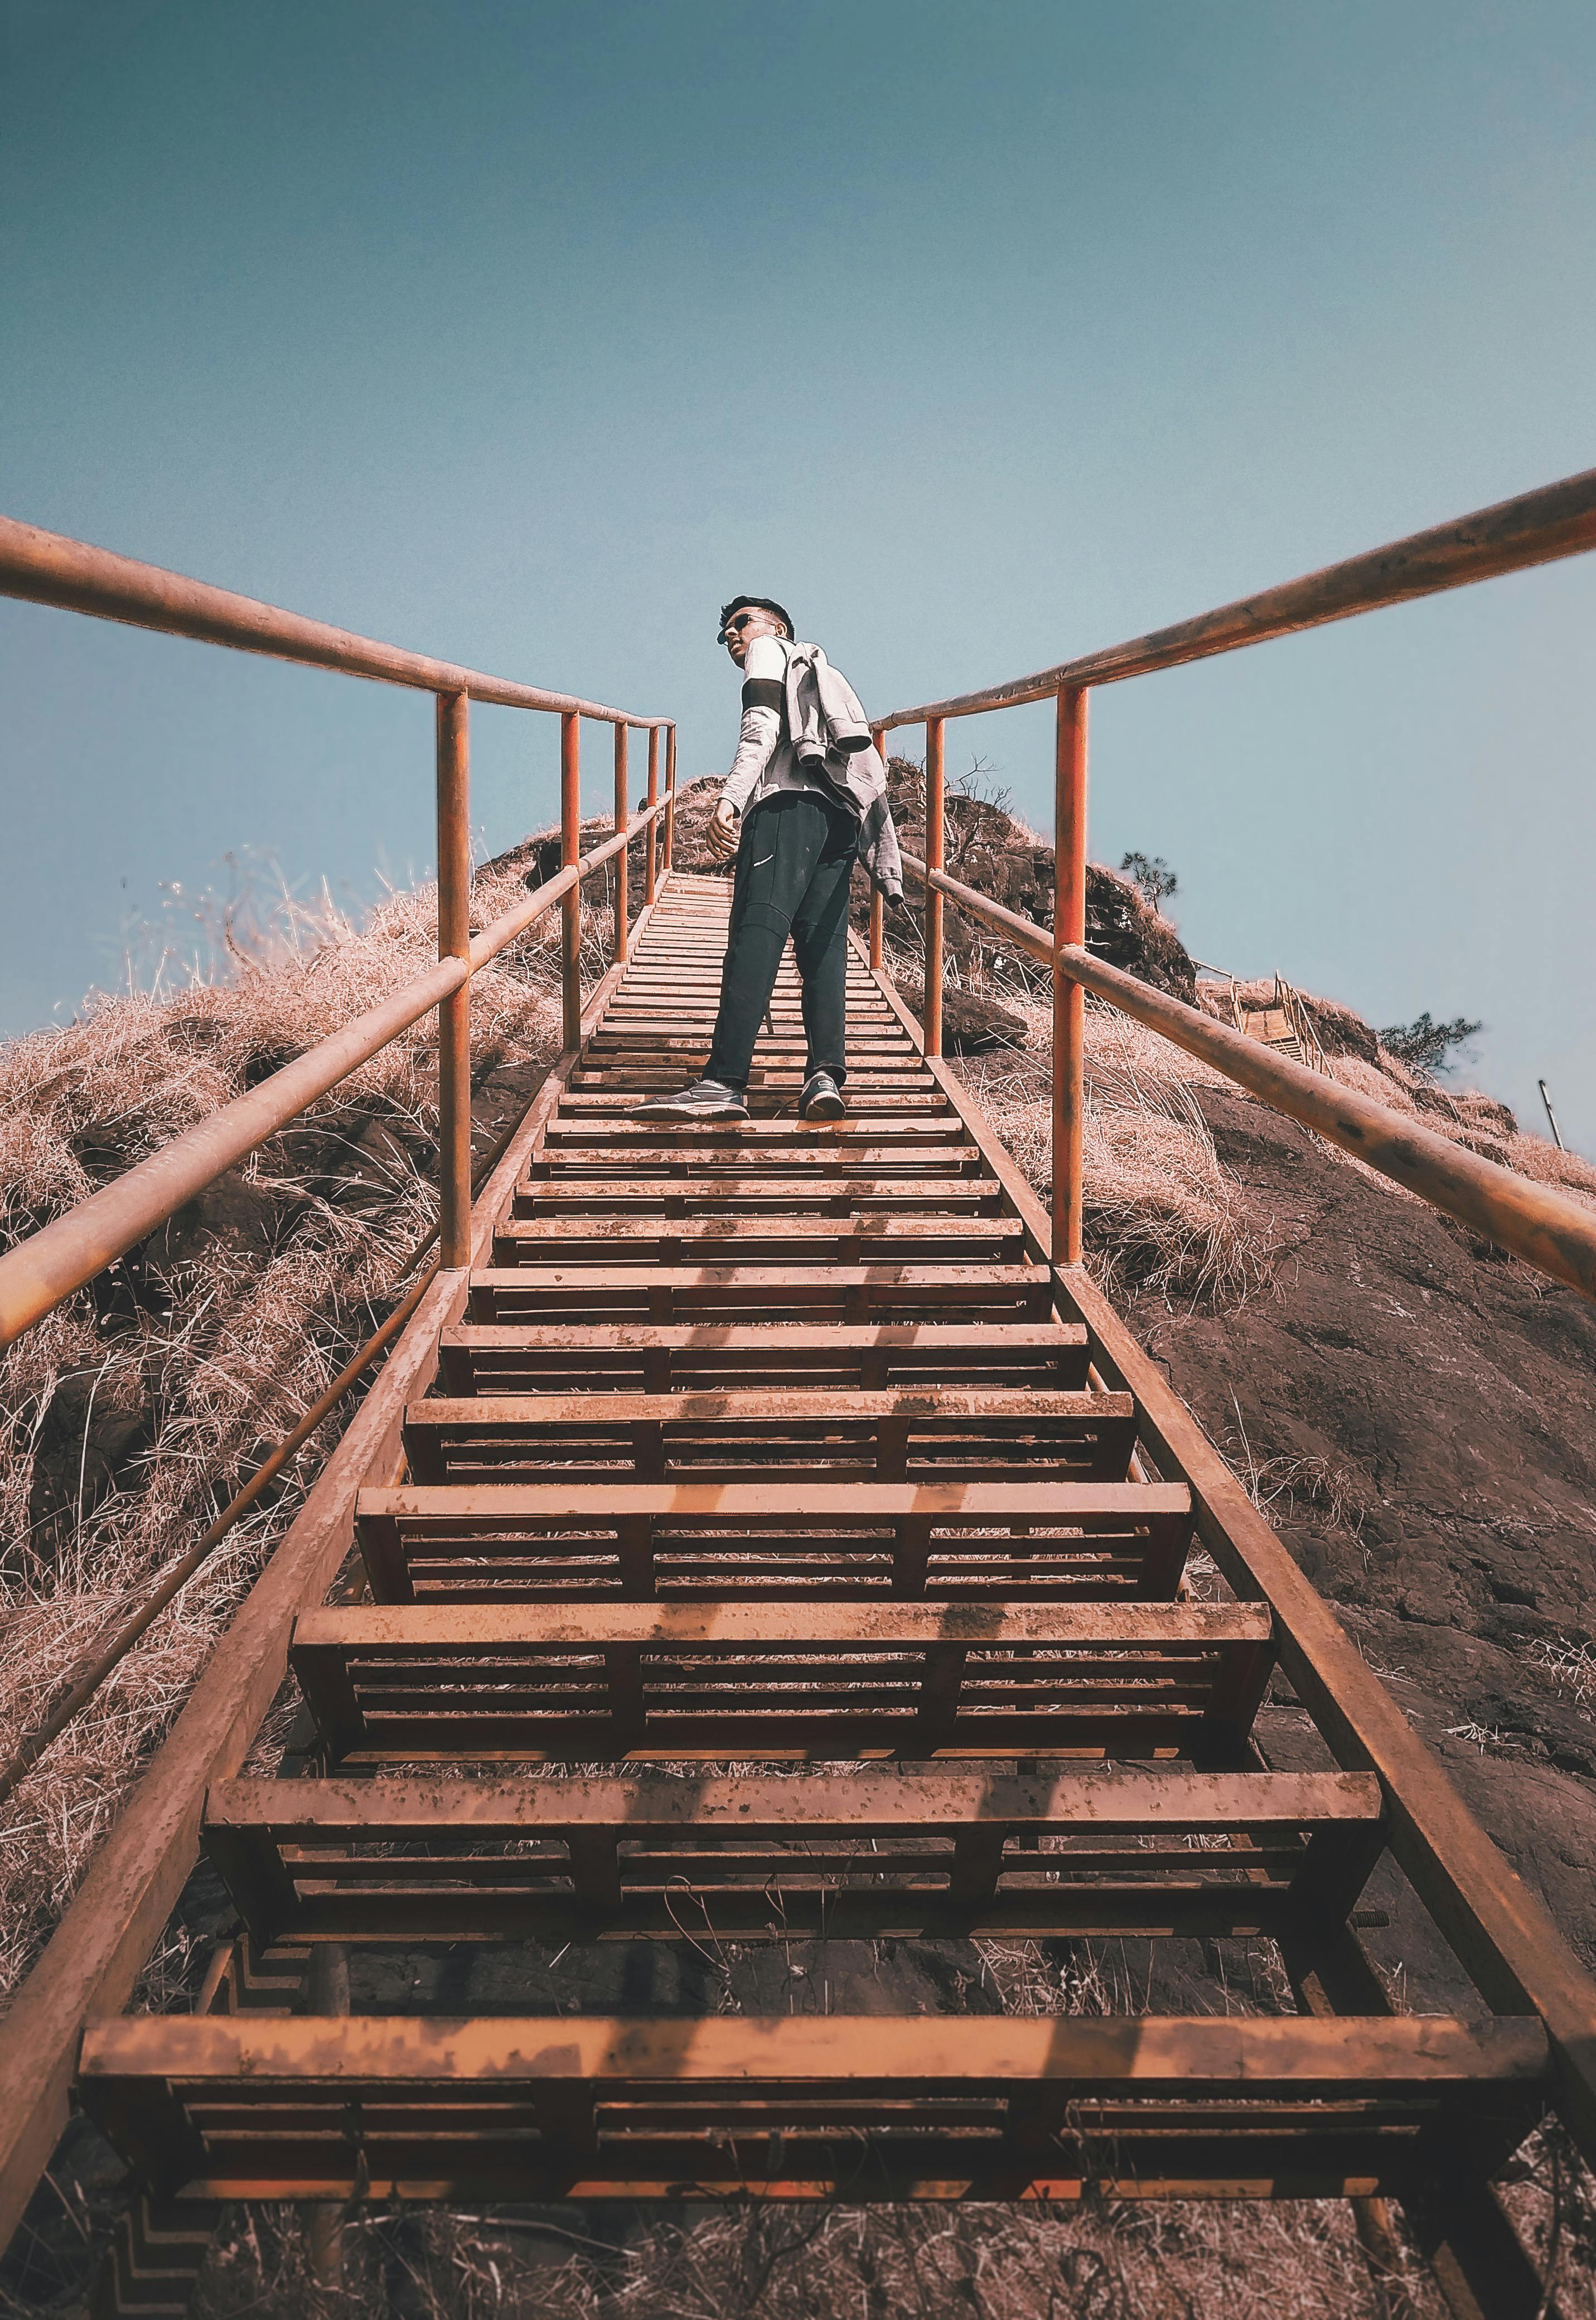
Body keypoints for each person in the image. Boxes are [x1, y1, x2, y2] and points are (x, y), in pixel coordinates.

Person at [637, 596, 902, 1122]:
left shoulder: (770, 652)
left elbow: (760, 728)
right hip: (840, 818)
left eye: (741, 623)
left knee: (755, 933)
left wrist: (731, 797)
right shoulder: (819, 669)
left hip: (785, 805)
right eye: (725, 633)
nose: (732, 636)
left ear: (775, 626)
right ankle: (825, 1076)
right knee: (822, 949)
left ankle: (723, 1080)